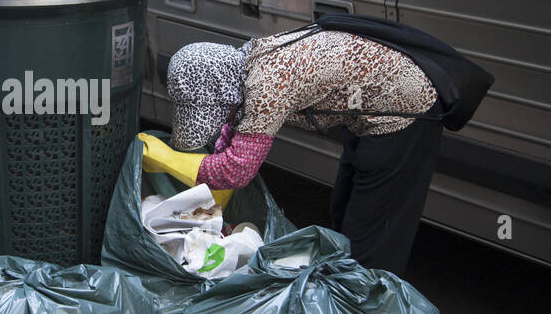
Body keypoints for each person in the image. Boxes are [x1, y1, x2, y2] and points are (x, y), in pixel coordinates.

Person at [150, 19, 490, 278]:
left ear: (219, 90)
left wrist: (164, 158)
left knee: (372, 233)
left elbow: (237, 170)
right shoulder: (243, 65)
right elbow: (229, 140)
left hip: (404, 113)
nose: (216, 115)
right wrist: (210, 213)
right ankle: (349, 289)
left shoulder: (267, 82)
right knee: (343, 208)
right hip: (365, 117)